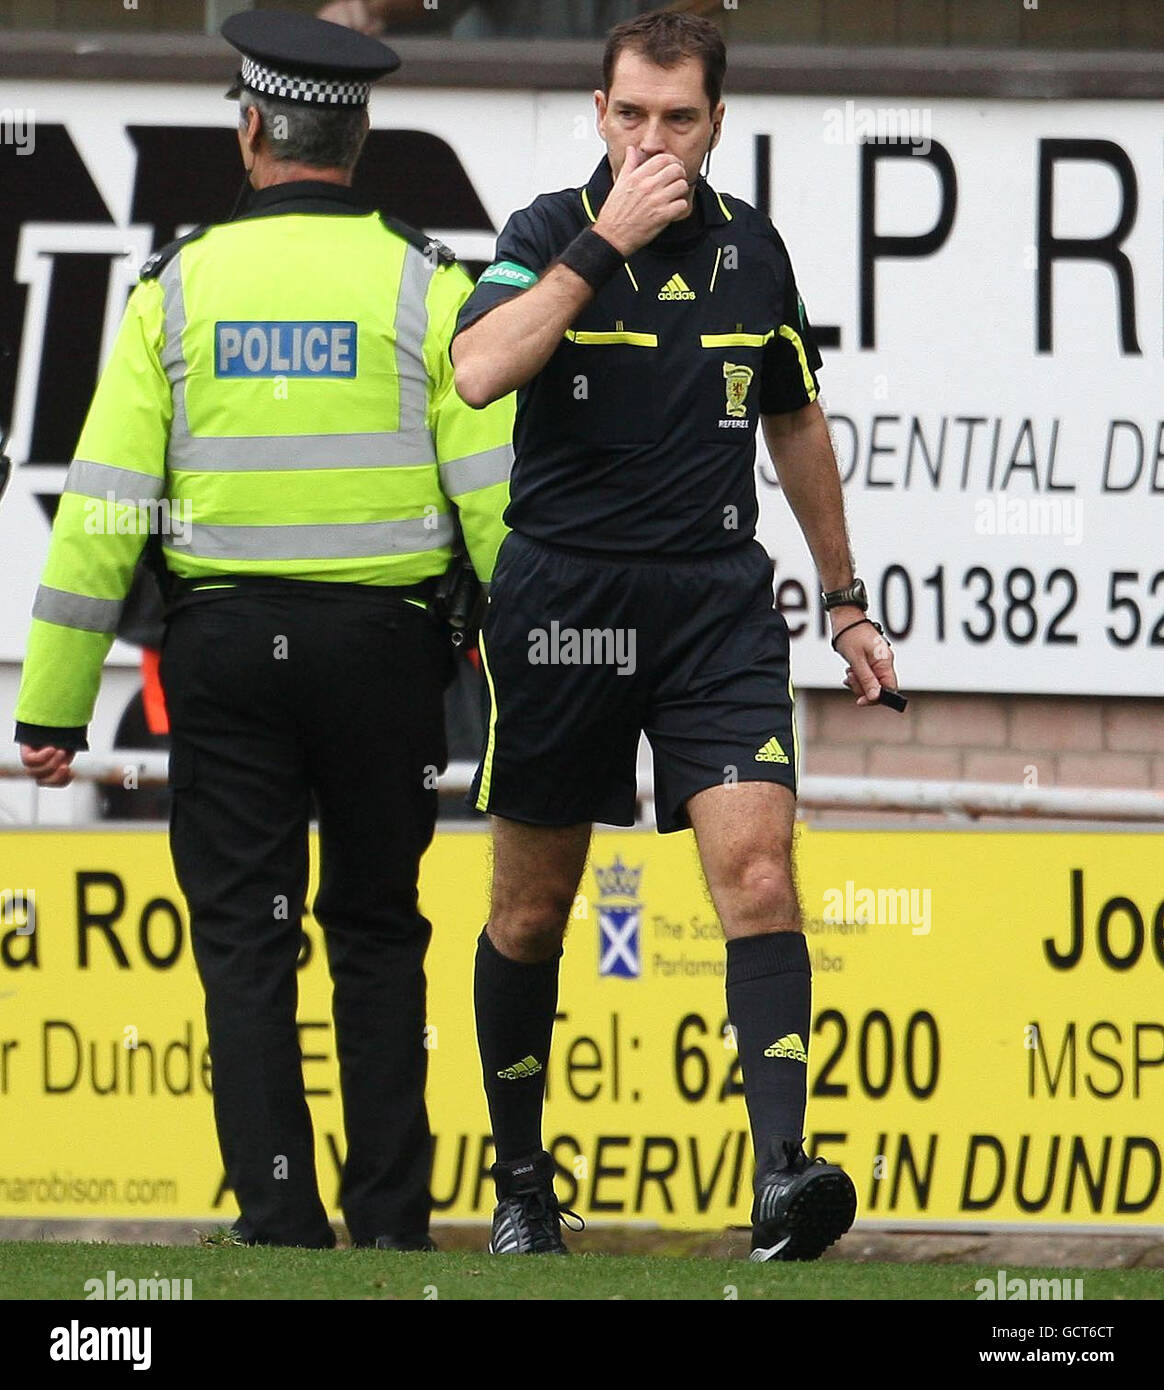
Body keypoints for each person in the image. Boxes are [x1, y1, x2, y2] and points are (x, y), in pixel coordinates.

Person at [15, 8, 513, 1251]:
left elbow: (102, 512)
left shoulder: (174, 289)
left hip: (227, 657)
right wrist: (542, 683)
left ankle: (280, 1218)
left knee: (248, 937)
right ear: (357, 141)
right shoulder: (427, 281)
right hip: (388, 659)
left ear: (251, 132)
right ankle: (395, 1223)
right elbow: (499, 508)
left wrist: (52, 705)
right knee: (379, 929)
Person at [452, 9, 899, 1259]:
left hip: (714, 605)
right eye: (632, 113)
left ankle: (780, 1177)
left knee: (758, 873)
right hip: (565, 606)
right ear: (600, 112)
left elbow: (795, 418)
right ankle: (526, 1185)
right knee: (532, 914)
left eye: (680, 118)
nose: (654, 138)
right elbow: (481, 370)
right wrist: (604, 244)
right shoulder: (548, 231)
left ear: (717, 122)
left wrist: (847, 598)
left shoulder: (755, 250)